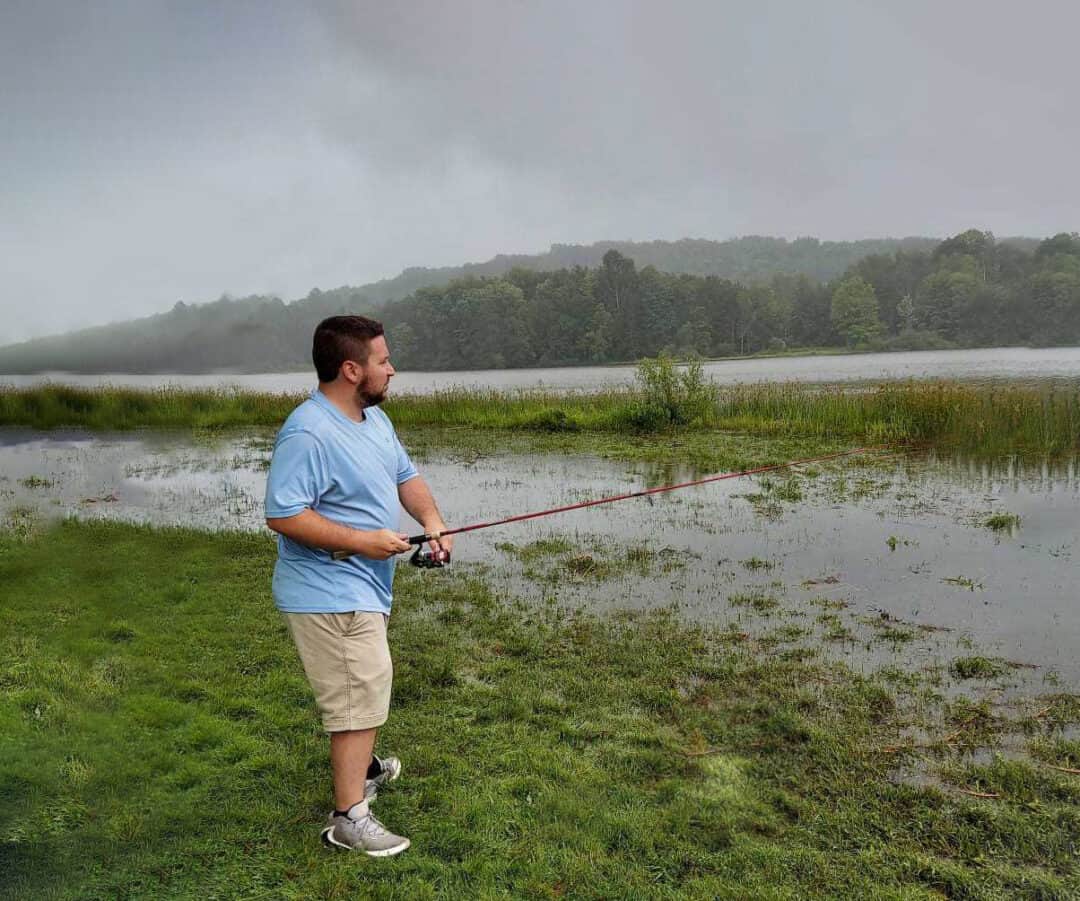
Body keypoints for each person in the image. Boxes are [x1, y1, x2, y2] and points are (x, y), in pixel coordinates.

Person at [264, 314, 451, 856]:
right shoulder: (308, 431)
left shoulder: (373, 421)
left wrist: (433, 523)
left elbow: (406, 477)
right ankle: (348, 819)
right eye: (383, 360)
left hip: (363, 586)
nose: (392, 370)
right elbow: (283, 514)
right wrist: (364, 541)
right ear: (351, 369)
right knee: (358, 693)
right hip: (327, 590)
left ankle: (361, 767)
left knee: (362, 686)